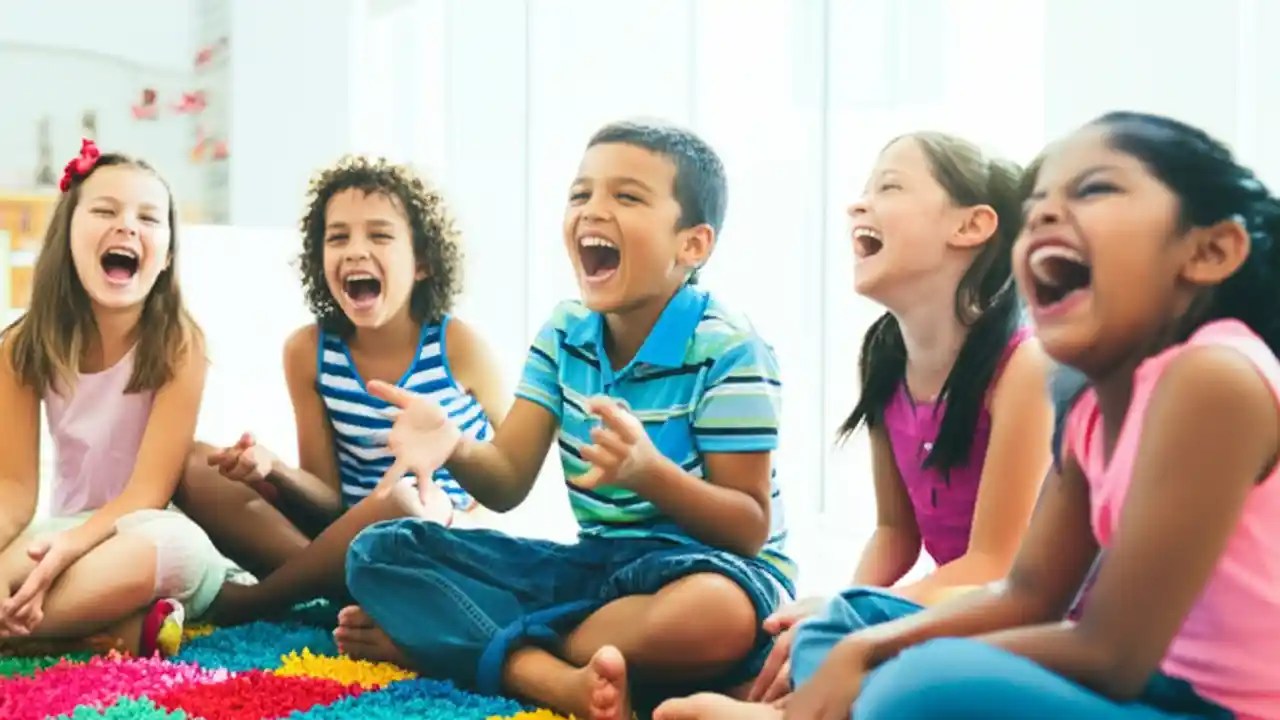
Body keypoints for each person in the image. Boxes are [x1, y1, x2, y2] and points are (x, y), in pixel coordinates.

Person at [655, 111, 1280, 719]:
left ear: (1210, 251)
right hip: (1128, 685)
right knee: (846, 635)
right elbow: (1028, 595)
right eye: (1035, 206)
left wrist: (886, 659)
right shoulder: (1088, 402)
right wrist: (862, 644)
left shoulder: (1213, 375)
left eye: (1093, 189)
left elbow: (1110, 651)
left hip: (1198, 702)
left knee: (921, 685)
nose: (1043, 216)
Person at [338, 119, 794, 720]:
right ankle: (560, 675)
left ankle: (488, 652)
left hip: (716, 572)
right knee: (378, 552)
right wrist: (454, 446)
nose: (591, 211)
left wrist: (650, 473)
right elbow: (505, 483)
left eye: (626, 197)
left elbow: (749, 528)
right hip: (597, 574)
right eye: (580, 194)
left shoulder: (730, 349)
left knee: (718, 613)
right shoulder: (565, 333)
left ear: (693, 245)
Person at [749, 132, 1053, 704]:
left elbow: (996, 562)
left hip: (1021, 614)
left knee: (841, 651)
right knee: (800, 642)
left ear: (970, 226)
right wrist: (835, 613)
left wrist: (851, 617)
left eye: (888, 186)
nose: (858, 205)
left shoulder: (1024, 367)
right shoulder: (883, 357)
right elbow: (896, 533)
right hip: (945, 605)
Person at [176, 156, 507, 624]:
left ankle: (261, 600)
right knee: (192, 464)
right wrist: (273, 469)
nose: (354, 250)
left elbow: (511, 471)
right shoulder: (309, 351)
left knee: (401, 498)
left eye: (379, 235)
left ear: (423, 263)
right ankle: (340, 588)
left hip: (434, 541)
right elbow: (329, 498)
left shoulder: (459, 346)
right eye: (338, 237)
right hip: (343, 534)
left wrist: (458, 460)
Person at [0, 139, 221, 657]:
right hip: (62, 532)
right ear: (66, 237)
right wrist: (45, 549)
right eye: (105, 210)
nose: (127, 226)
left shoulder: (180, 345)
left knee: (176, 546)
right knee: (15, 563)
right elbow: (12, 489)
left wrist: (68, 550)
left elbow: (147, 491)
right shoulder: (19, 348)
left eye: (149, 218)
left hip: (141, 534)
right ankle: (91, 634)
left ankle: (37, 634)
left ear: (166, 256)